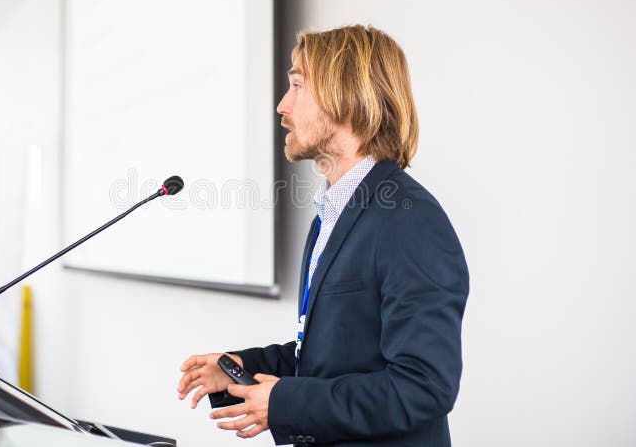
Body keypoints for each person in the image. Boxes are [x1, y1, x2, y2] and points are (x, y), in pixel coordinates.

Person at [177, 25, 469, 446]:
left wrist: (286, 403)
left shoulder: (410, 220)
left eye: (297, 86)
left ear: (345, 97)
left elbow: (423, 387)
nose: (282, 106)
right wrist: (240, 366)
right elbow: (329, 357)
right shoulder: (330, 217)